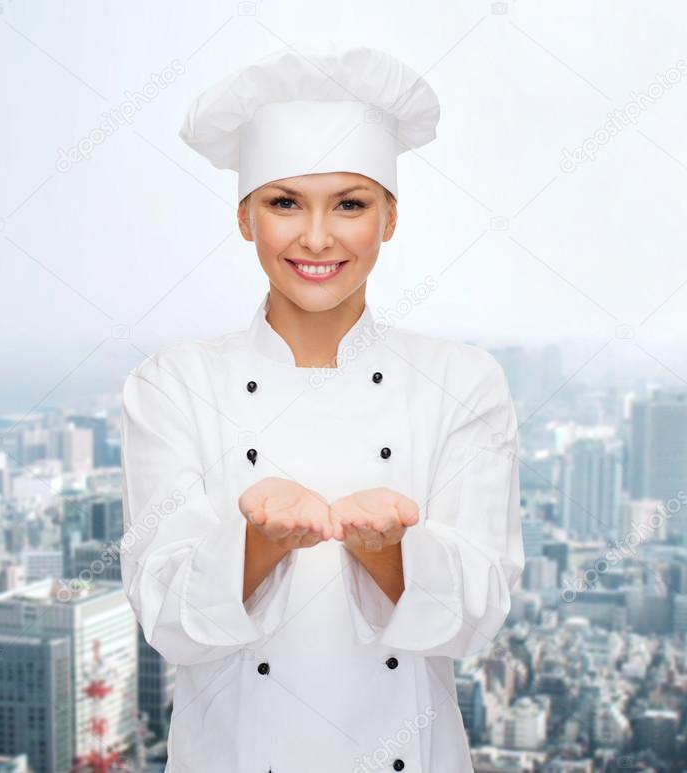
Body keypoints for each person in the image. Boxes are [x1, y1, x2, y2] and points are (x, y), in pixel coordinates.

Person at [119, 40, 524, 773]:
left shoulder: (462, 381)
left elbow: (477, 617)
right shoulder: (172, 385)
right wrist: (260, 543)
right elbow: (164, 614)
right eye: (284, 203)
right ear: (245, 218)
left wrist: (386, 552)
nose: (316, 237)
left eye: (350, 204)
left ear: (389, 218)